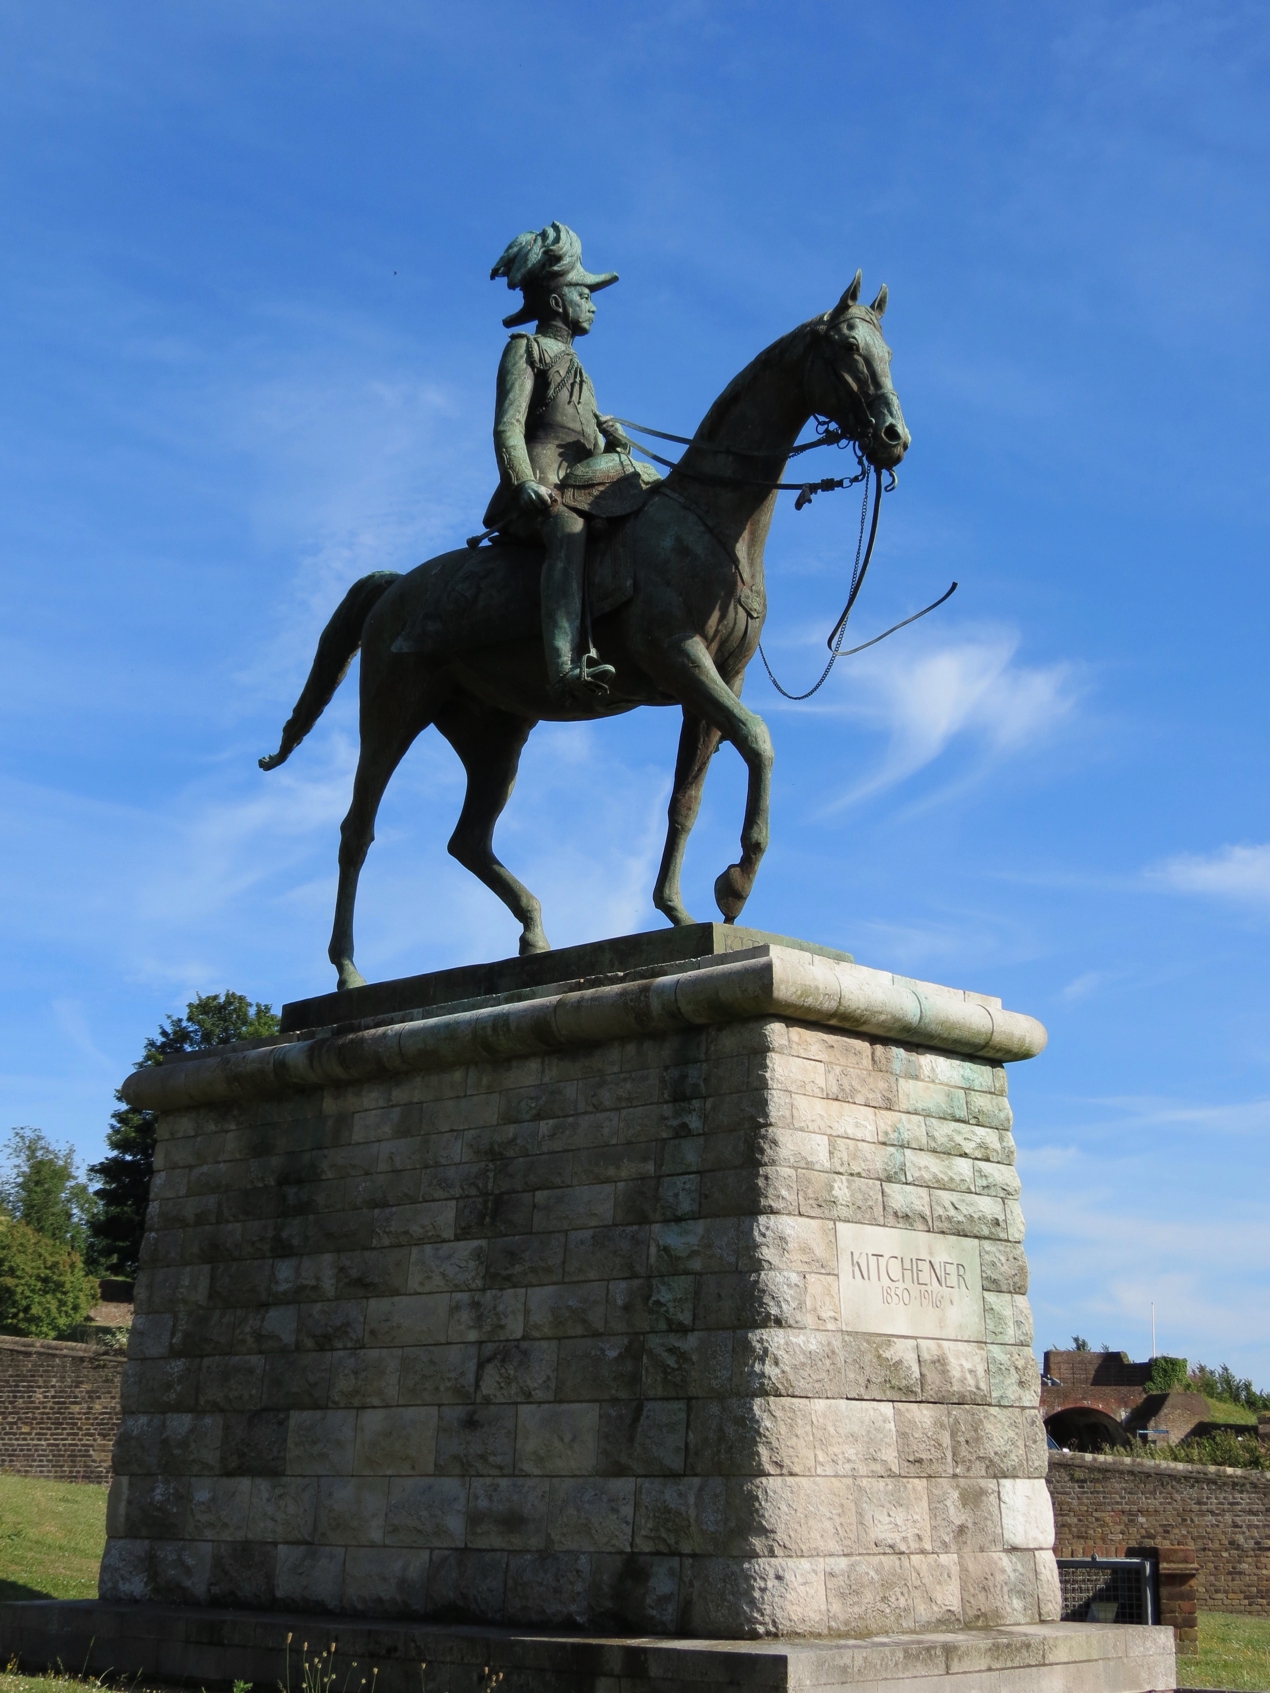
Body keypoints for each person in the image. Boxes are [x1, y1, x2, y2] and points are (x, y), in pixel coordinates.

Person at [484, 222, 632, 703]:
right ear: (555, 302)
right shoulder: (525, 351)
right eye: (582, 292)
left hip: (585, 481)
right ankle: (565, 665)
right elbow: (508, 425)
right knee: (567, 535)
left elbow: (585, 440)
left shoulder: (581, 370)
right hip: (544, 490)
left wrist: (615, 446)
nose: (591, 301)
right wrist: (523, 480)